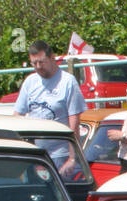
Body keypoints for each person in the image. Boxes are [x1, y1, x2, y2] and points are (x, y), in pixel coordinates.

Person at [15, 40, 86, 175]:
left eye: (41, 62)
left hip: (60, 154)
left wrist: (72, 158)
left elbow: (74, 122)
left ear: (52, 58)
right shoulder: (30, 82)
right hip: (35, 154)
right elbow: (18, 115)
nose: (38, 66)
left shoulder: (67, 81)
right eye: (34, 63)